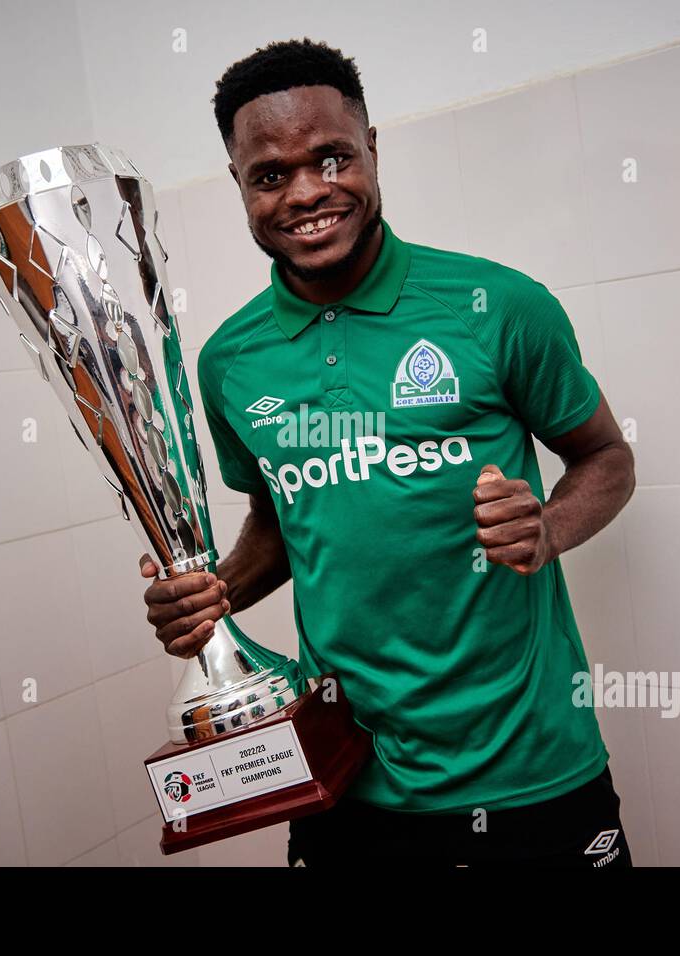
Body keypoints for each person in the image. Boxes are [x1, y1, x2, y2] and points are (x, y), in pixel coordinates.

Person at [141, 37, 636, 867]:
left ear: (371, 149)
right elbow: (282, 518)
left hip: (531, 772)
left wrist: (545, 529)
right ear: (240, 185)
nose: (306, 193)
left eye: (331, 158)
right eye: (270, 176)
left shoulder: (498, 305)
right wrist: (212, 594)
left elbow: (607, 460)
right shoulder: (229, 361)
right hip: (344, 779)